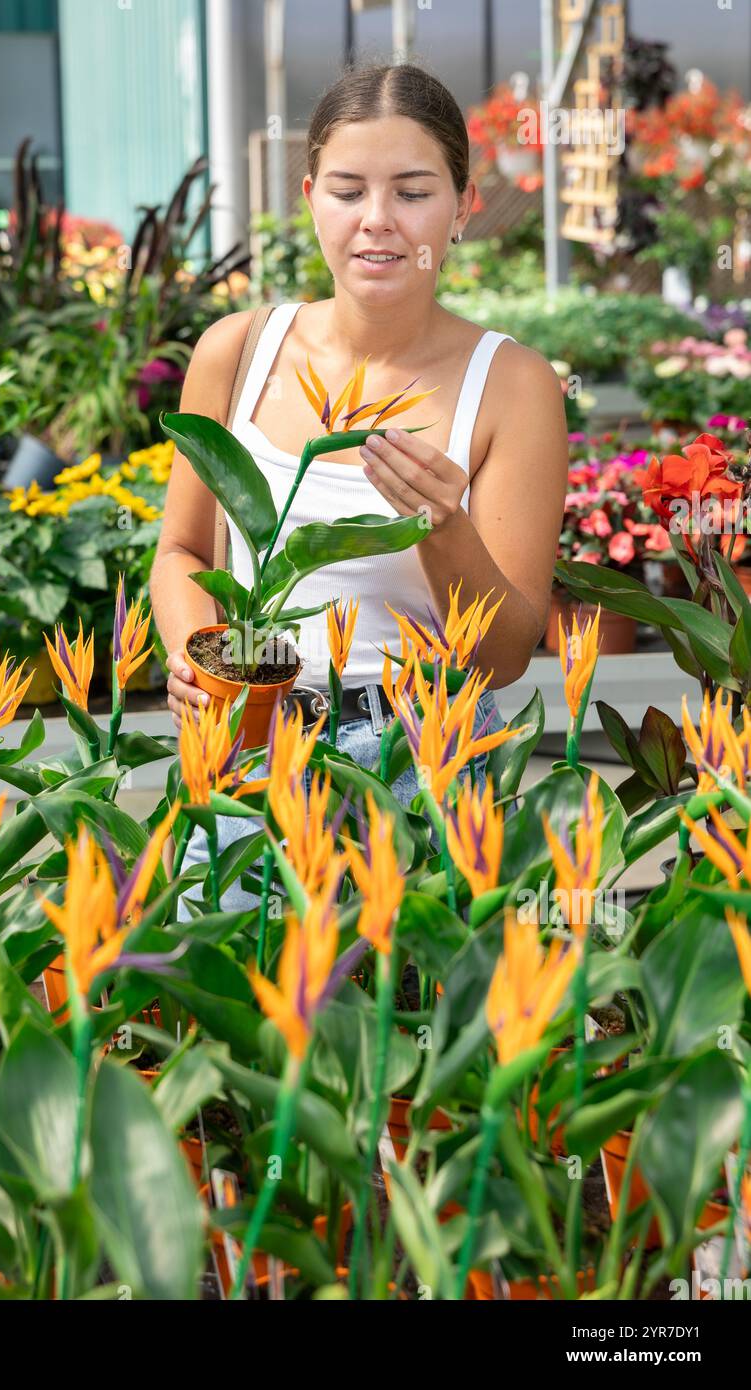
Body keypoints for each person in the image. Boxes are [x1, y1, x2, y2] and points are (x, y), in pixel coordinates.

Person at [149, 61, 567, 921]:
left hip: (426, 760)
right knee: (231, 1002)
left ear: (462, 206)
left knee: (403, 1027)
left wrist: (439, 525)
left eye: (412, 192)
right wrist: (201, 661)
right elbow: (182, 551)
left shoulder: (513, 384)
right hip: (251, 745)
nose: (376, 222)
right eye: (347, 190)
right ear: (309, 197)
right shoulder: (236, 352)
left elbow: (501, 656)